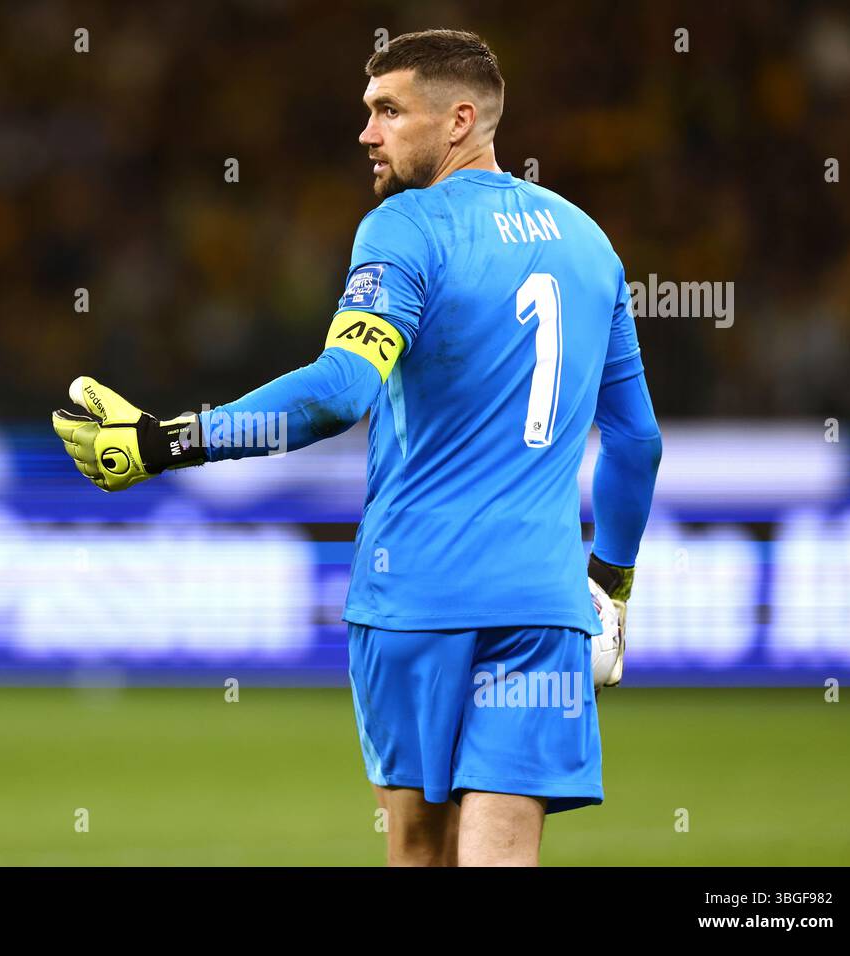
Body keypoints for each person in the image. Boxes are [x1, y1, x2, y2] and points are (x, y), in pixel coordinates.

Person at [52, 29, 661, 866]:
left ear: (458, 120)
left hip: (414, 595)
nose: (366, 134)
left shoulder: (403, 229)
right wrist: (611, 589)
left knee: (418, 852)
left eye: (387, 111)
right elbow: (636, 438)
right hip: (544, 606)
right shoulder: (590, 242)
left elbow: (341, 392)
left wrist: (165, 443)